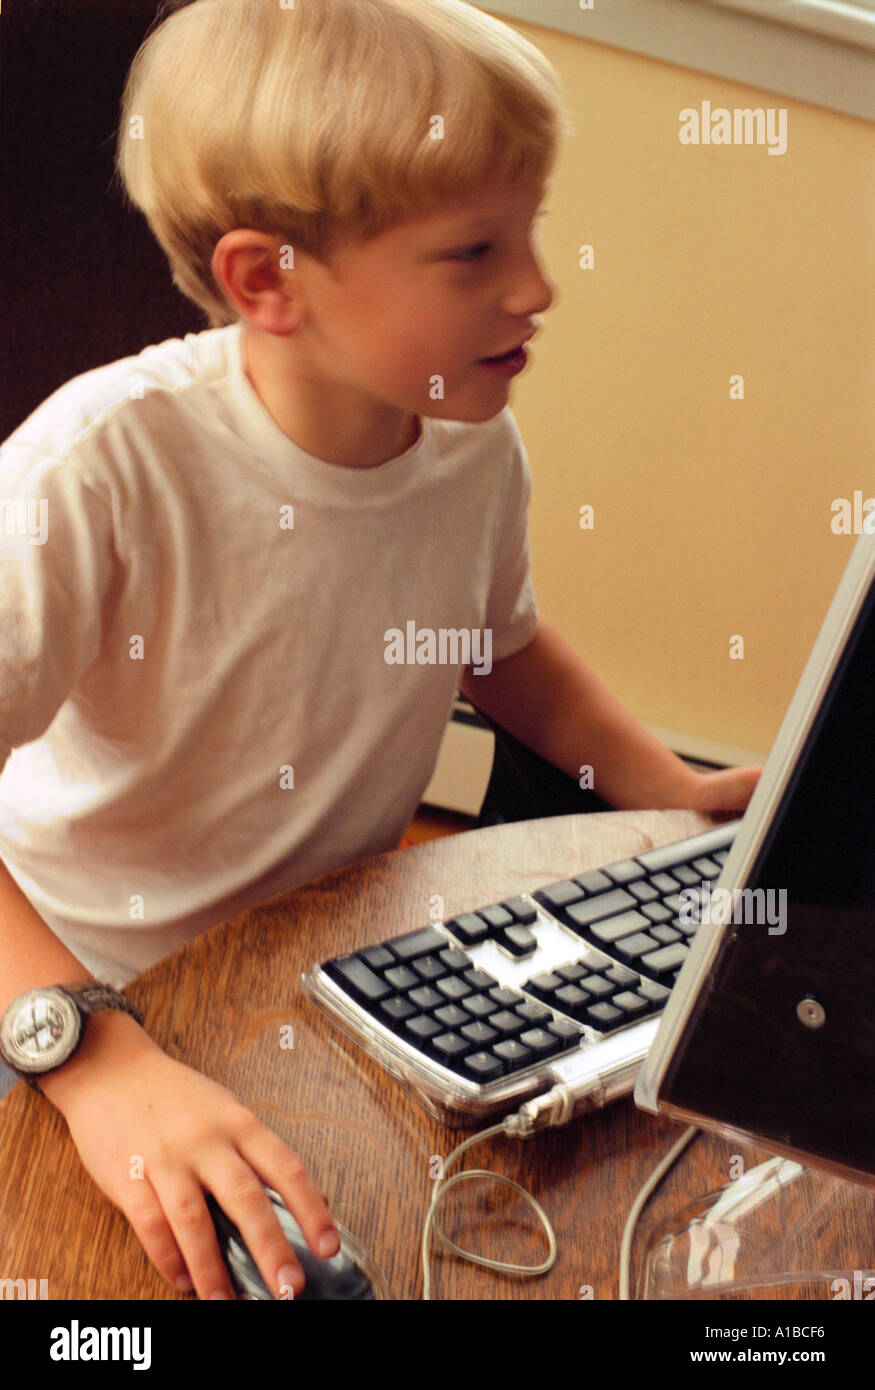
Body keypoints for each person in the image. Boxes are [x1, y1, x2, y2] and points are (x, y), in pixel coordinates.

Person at [0, 0, 761, 1301]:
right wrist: (88, 1052)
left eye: (529, 228)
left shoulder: (463, 436)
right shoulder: (97, 471)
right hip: (84, 983)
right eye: (474, 251)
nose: (537, 285)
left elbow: (497, 640)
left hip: (327, 967)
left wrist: (668, 787)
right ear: (267, 279)